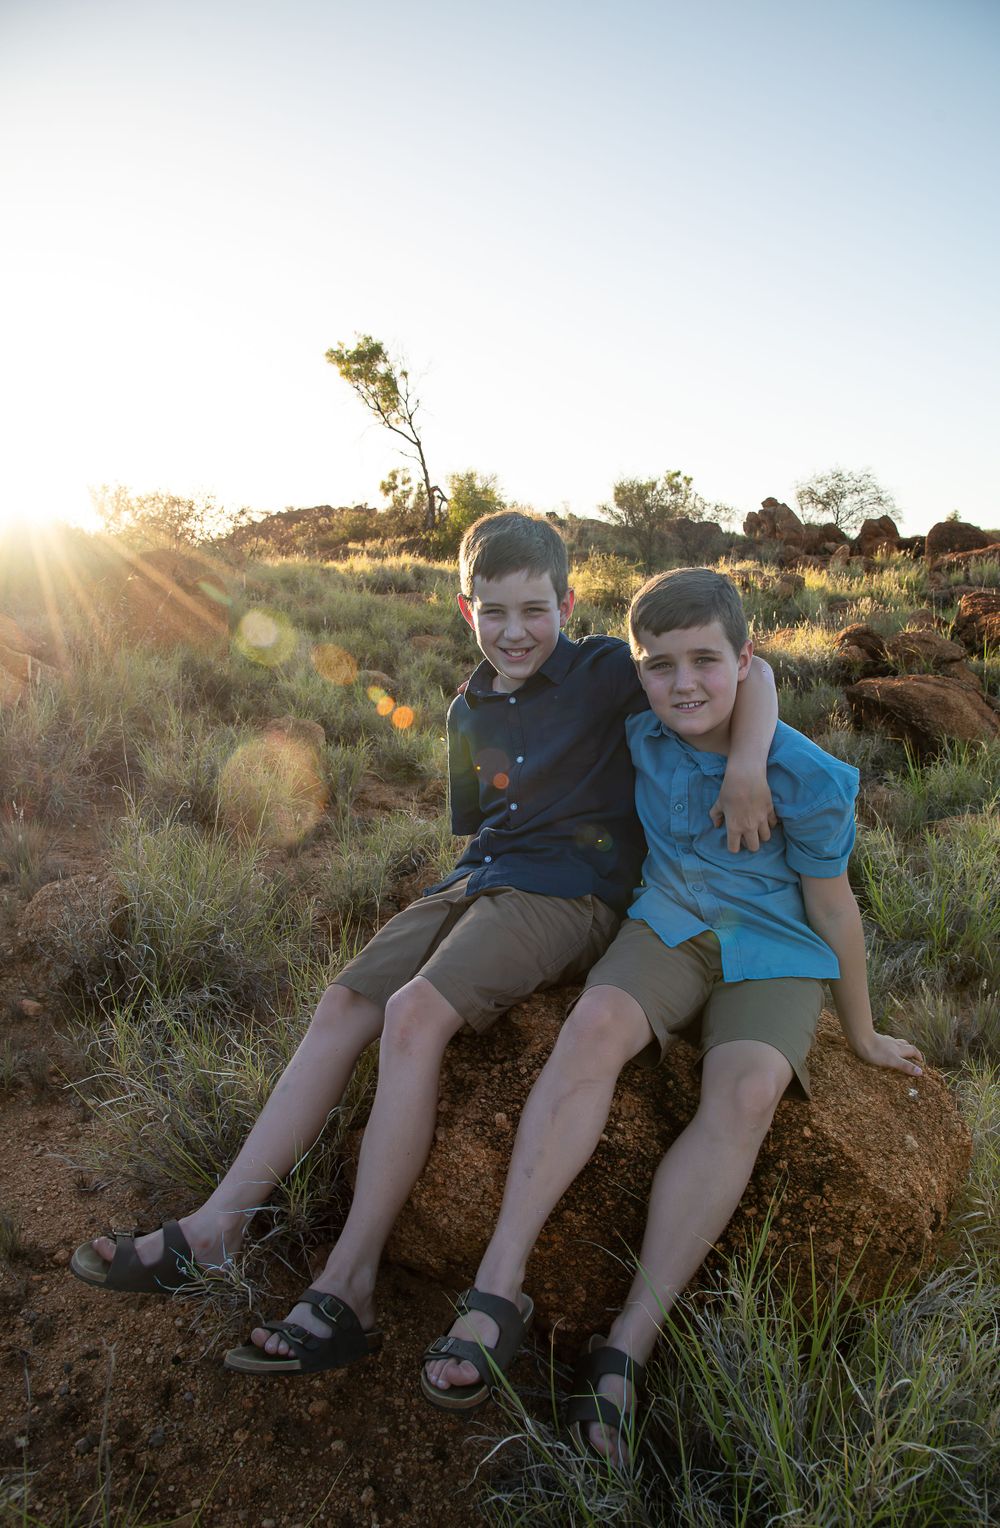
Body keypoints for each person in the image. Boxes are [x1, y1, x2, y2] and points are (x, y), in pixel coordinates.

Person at [70, 517, 777, 1379]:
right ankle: (219, 1224)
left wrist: (746, 768)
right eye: (493, 611)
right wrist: (444, 914)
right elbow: (475, 836)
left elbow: (756, 670)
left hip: (569, 894)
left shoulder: (604, 672)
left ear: (569, 602)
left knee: (413, 1016)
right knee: (346, 1003)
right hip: (479, 879)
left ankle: (350, 1284)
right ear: (463, 608)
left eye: (534, 609)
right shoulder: (466, 708)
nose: (514, 631)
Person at [422, 566, 923, 1459]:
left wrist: (862, 1032)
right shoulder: (642, 733)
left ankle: (626, 1346)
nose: (684, 683)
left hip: (772, 946)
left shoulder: (807, 778)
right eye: (661, 665)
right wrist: (729, 756)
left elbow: (834, 906)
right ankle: (499, 1285)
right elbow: (711, 675)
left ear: (743, 661)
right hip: (670, 918)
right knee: (592, 1029)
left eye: (705, 662)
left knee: (747, 1090)